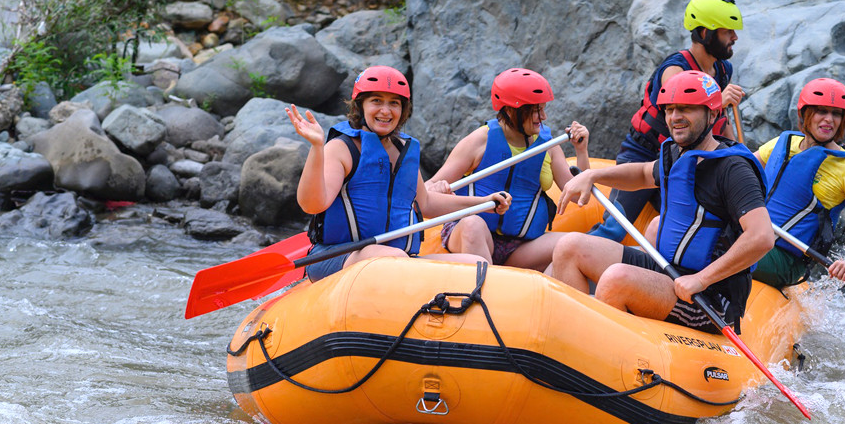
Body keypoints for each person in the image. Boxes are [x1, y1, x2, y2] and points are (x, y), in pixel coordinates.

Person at [549, 70, 774, 333]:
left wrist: (701, 280)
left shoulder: (733, 169)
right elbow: (644, 173)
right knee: (569, 247)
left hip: (708, 297)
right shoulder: (677, 152)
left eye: (686, 109)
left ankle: (597, 350)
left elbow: (762, 237)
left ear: (713, 115)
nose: (675, 117)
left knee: (615, 279)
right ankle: (573, 340)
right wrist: (593, 174)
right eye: (670, 110)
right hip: (667, 270)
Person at [288, 65, 511, 282]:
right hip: (338, 257)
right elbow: (312, 205)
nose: (386, 111)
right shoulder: (342, 148)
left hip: (398, 259)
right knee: (393, 259)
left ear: (403, 110)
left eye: (394, 103)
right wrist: (317, 148)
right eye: (376, 101)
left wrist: (483, 202)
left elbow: (426, 203)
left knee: (477, 265)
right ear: (360, 106)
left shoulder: (404, 151)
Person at [588, 0, 748, 242]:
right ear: (706, 33)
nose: (735, 37)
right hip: (645, 155)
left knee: (699, 226)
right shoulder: (674, 70)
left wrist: (740, 154)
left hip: (683, 161)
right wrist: (720, 100)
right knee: (614, 229)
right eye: (728, 31)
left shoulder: (722, 69)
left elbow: (720, 124)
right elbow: (682, 119)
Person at [426, 68, 592, 270]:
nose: (543, 116)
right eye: (536, 110)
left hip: (519, 246)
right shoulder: (480, 141)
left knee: (576, 243)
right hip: (471, 234)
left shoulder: (549, 145)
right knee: (473, 225)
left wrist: (581, 150)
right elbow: (428, 188)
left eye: (543, 108)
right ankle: (487, 291)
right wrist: (438, 187)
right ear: (512, 110)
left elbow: (579, 196)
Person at [749, 77, 845, 287]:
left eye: (836, 114)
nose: (829, 119)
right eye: (821, 111)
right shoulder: (783, 144)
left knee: (718, 251)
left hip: (786, 259)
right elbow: (739, 173)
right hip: (751, 238)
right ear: (805, 115)